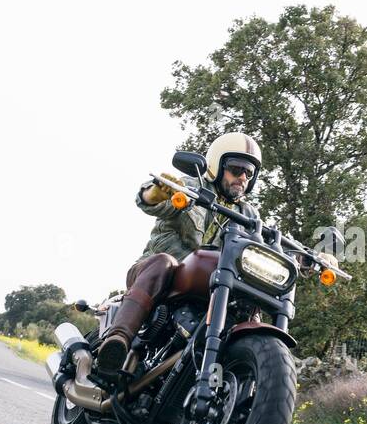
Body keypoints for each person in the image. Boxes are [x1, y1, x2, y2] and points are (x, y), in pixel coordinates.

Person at [93, 133, 263, 372]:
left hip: (211, 289)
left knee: (250, 301)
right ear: (217, 166)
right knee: (165, 262)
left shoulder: (250, 216)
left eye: (249, 173)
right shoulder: (192, 187)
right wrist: (155, 193)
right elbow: (151, 199)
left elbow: (267, 242)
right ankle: (117, 341)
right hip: (158, 277)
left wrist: (305, 258)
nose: (243, 177)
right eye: (236, 169)